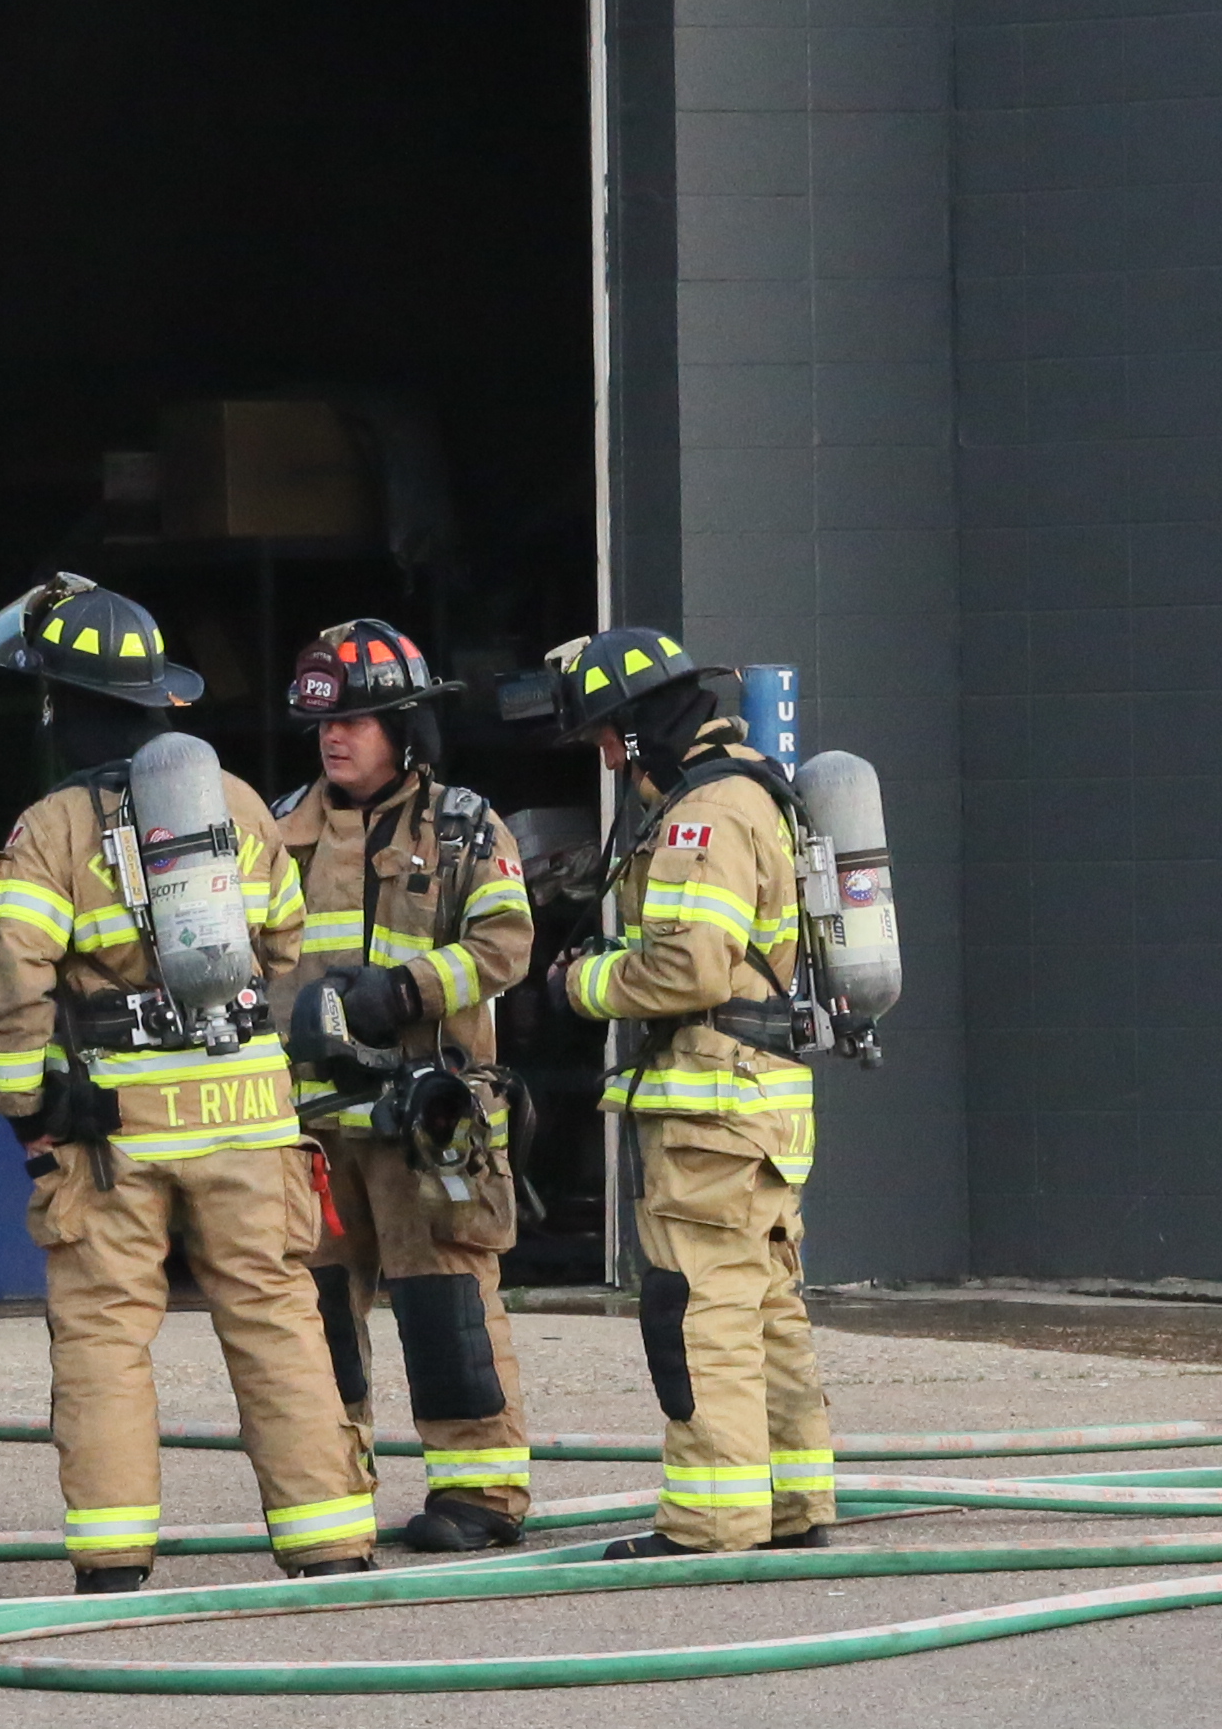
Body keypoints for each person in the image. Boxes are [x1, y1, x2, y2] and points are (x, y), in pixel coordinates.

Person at [0, 574, 375, 1589]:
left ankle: (113, 1559)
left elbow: (15, 976)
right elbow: (285, 945)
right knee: (278, 1315)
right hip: (247, 1112)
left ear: (64, 703)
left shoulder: (50, 827)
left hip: (116, 1133)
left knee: (105, 1334)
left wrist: (29, 1104)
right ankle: (329, 1540)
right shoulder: (237, 804)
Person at [542, 626, 830, 1559]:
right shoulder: (752, 789)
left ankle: (713, 1522)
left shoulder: (704, 814)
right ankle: (793, 1507)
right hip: (765, 1104)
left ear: (629, 729)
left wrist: (580, 985)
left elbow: (691, 967)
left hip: (714, 1105)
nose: (602, 757)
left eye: (601, 736)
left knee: (697, 1308)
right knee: (765, 1309)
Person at [268, 617, 540, 1552]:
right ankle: (332, 1494)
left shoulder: (465, 827)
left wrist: (405, 992)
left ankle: (480, 1495)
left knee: (447, 1305)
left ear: (405, 727)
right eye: (324, 723)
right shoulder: (278, 831)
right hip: (313, 1130)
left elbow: (506, 945)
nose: (333, 737)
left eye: (355, 720)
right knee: (315, 1321)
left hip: (429, 1119)